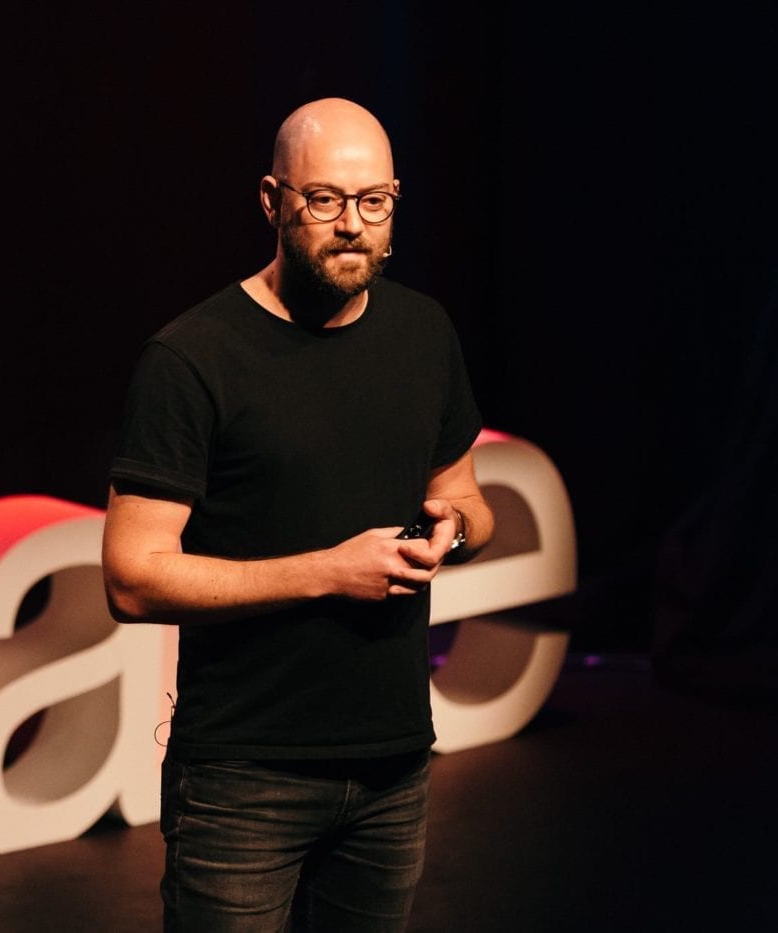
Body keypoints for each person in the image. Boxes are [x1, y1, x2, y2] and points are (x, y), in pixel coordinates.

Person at [101, 97, 495, 932]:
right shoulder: (192, 358)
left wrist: (450, 534)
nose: (351, 225)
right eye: (324, 200)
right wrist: (328, 572)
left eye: (372, 203)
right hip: (245, 775)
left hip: (394, 767)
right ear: (273, 200)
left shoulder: (424, 332)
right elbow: (132, 577)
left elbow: (466, 498)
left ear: (394, 202)